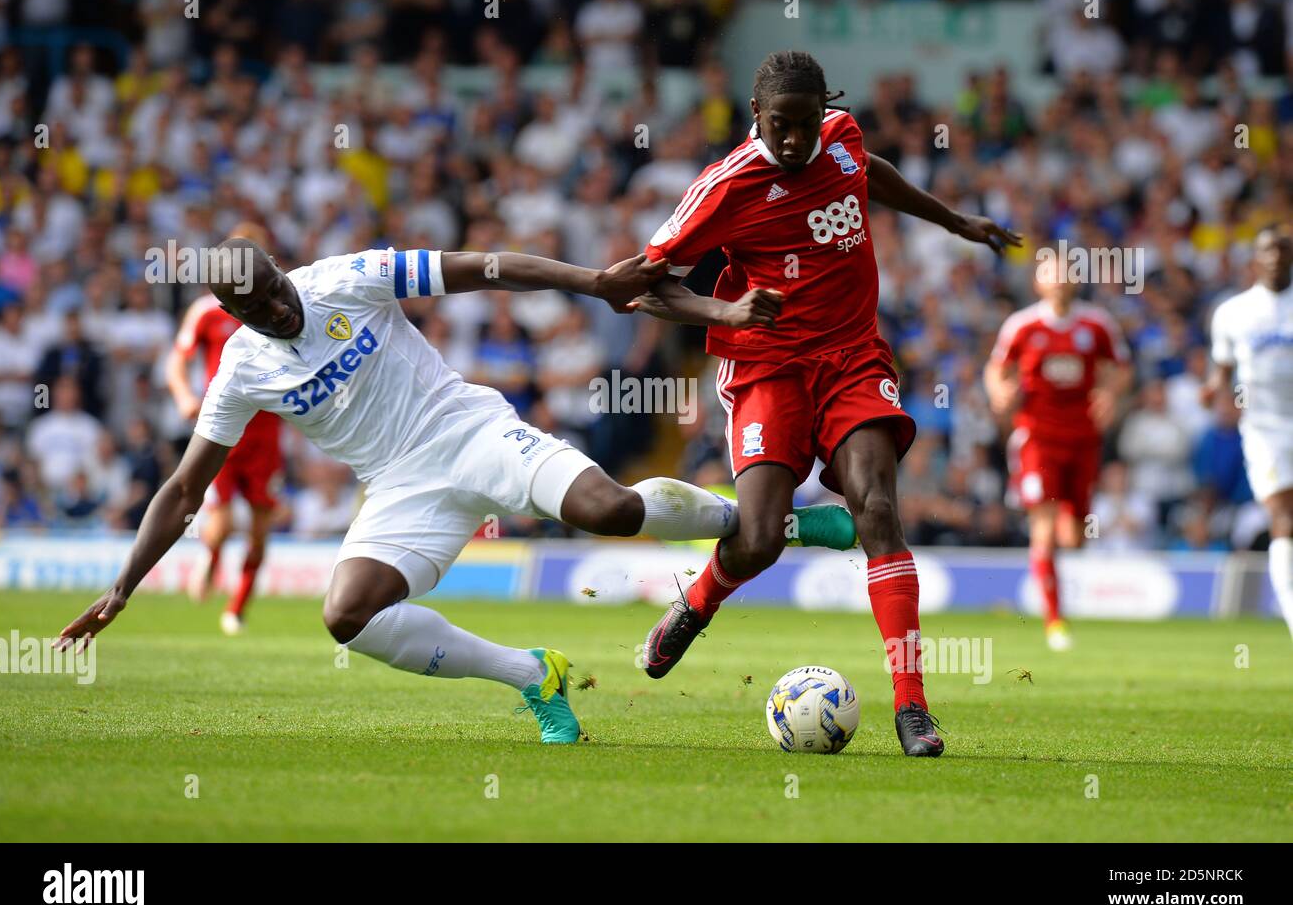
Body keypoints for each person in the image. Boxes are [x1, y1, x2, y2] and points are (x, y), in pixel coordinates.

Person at [55, 239, 850, 744]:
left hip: (467, 430)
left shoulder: (343, 279)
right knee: (347, 616)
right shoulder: (240, 369)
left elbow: (483, 269)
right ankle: (532, 675)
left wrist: (593, 284)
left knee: (609, 509)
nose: (278, 304)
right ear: (228, 314)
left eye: (275, 285)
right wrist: (123, 587)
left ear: (278, 265)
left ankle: (757, 520)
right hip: (400, 487)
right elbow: (185, 488)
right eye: (257, 306)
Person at [626, 50, 1021, 757]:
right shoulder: (724, 188)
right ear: (756, 115)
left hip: (852, 356)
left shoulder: (842, 135)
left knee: (877, 508)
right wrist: (731, 310)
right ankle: (698, 603)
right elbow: (648, 287)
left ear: (824, 112)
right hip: (768, 367)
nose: (794, 140)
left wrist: (955, 221)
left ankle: (912, 708)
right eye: (781, 125)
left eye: (806, 124)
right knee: (761, 537)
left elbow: (871, 177)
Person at [984, 256, 1132, 650]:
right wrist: (1000, 393)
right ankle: (1054, 621)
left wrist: (1110, 394)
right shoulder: (1022, 325)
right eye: (1053, 274)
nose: (1061, 281)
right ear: (1039, 283)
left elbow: (1121, 367)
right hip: (1037, 437)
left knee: (1074, 535)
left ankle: (1057, 594)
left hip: (1083, 439)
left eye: (1068, 274)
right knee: (1044, 529)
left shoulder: (1097, 324)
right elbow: (996, 368)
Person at [168, 290, 284, 635]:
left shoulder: (280, 305)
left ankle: (236, 609)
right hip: (223, 430)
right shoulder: (206, 311)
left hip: (266, 436)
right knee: (222, 523)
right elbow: (177, 359)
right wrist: (183, 395)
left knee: (261, 531)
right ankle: (213, 555)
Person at [1203, 224, 1293, 638]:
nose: (1275, 257)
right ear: (1255, 259)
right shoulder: (1233, 312)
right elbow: (1221, 368)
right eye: (1267, 250)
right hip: (1265, 429)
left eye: (1282, 250)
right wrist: (1213, 388)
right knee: (1283, 515)